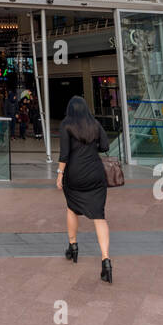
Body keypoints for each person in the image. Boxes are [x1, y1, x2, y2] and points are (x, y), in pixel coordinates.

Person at [56, 96, 113, 284]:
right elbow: (105, 146)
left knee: (72, 208)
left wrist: (59, 175)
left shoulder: (66, 125)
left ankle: (73, 247)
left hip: (75, 174)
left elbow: (64, 153)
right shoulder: (94, 124)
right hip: (96, 174)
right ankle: (106, 260)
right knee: (99, 216)